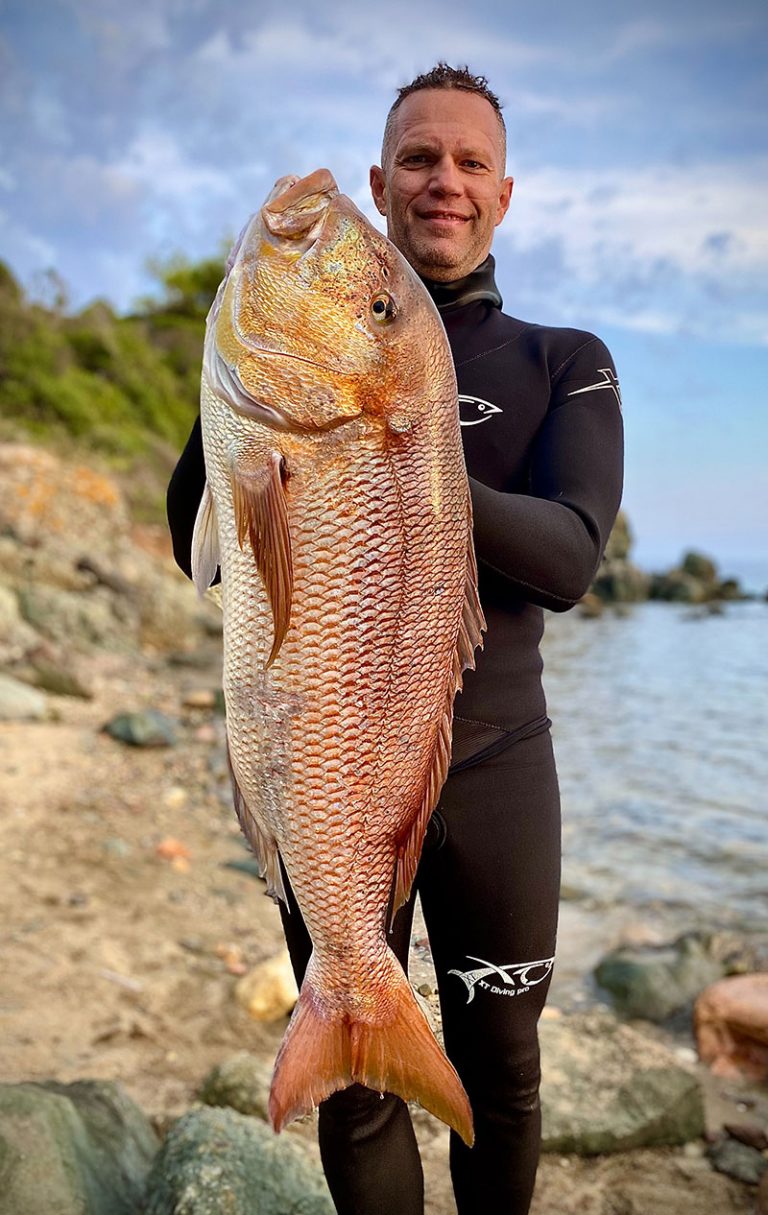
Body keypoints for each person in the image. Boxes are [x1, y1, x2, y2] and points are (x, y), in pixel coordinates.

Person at [167, 63, 623, 1215]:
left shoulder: (565, 361)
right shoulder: (300, 381)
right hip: (318, 768)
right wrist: (266, 394)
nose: (444, 182)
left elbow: (569, 560)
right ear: (383, 179)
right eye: (419, 158)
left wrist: (396, 455)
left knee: (504, 1076)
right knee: (357, 1089)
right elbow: (197, 539)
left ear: (506, 193)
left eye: (471, 162)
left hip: (496, 768)